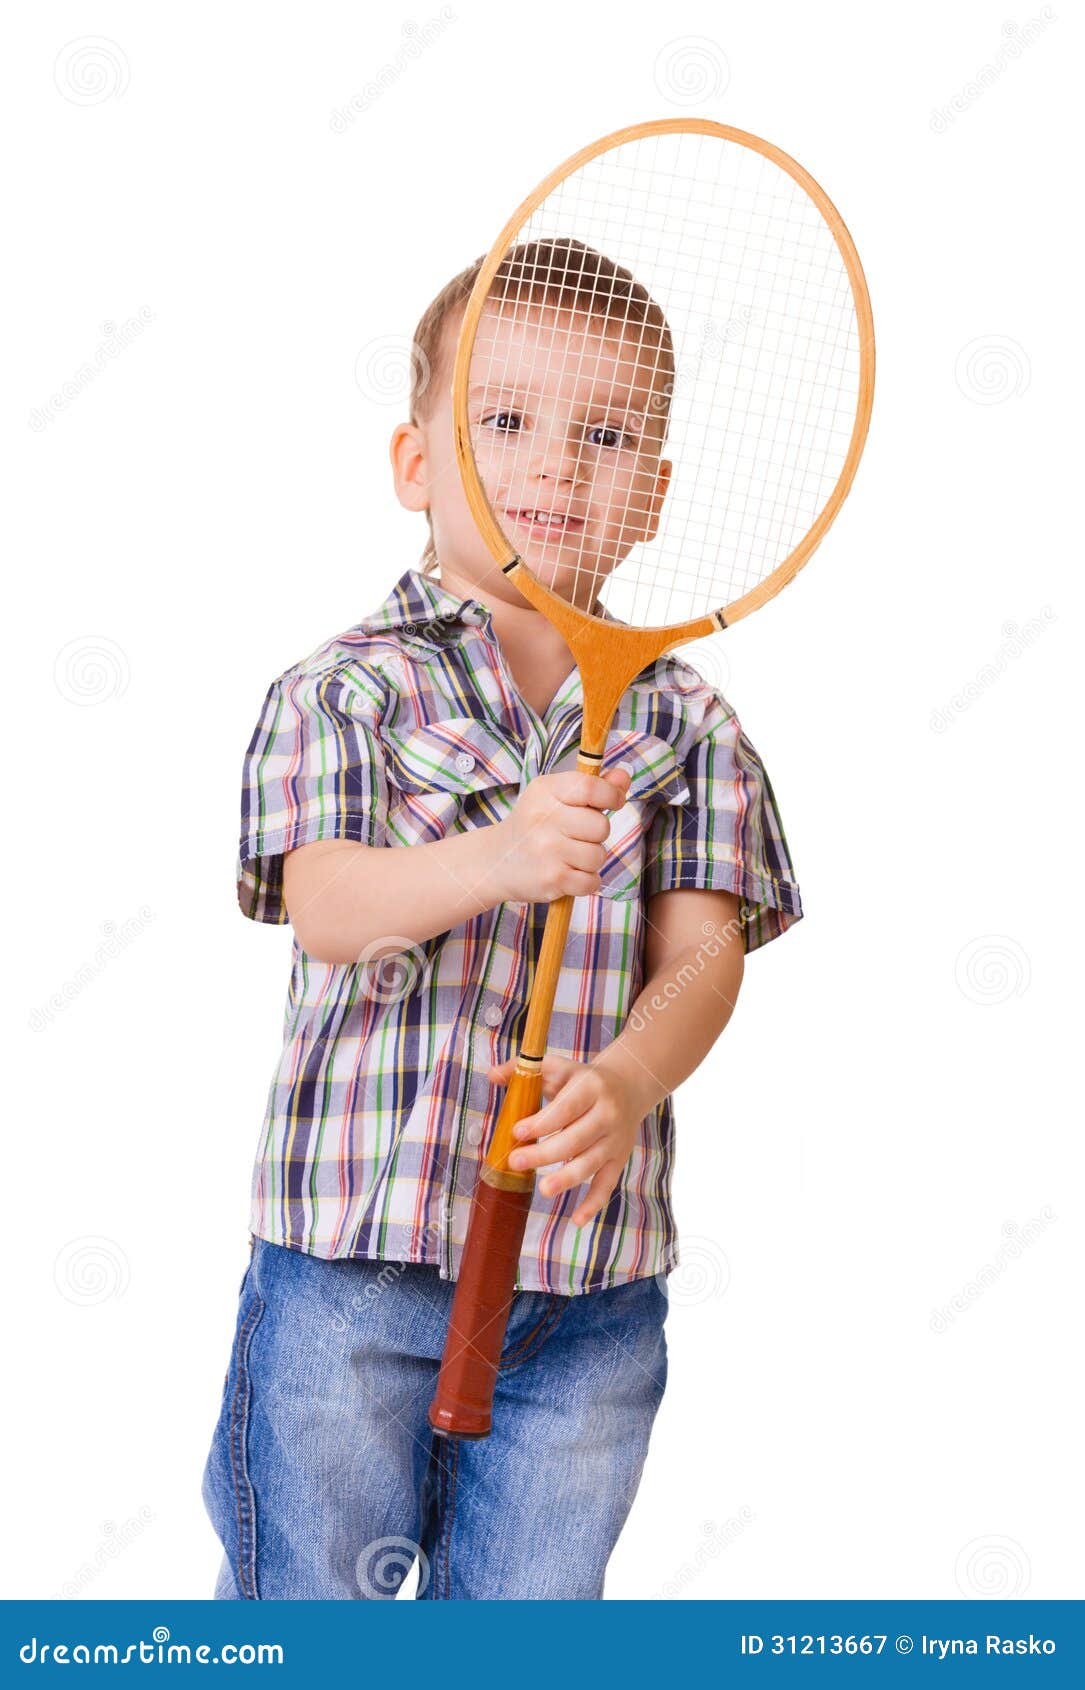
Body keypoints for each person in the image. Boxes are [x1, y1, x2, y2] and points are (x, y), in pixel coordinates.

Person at [201, 240, 803, 1600]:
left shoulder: (687, 723)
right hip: (350, 1266)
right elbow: (327, 906)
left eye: (605, 436)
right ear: (416, 464)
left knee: (529, 1631)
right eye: (505, 421)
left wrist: (633, 1070)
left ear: (649, 494)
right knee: (312, 1613)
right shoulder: (341, 691)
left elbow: (699, 954)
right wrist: (499, 852)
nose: (555, 465)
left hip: (586, 1284)